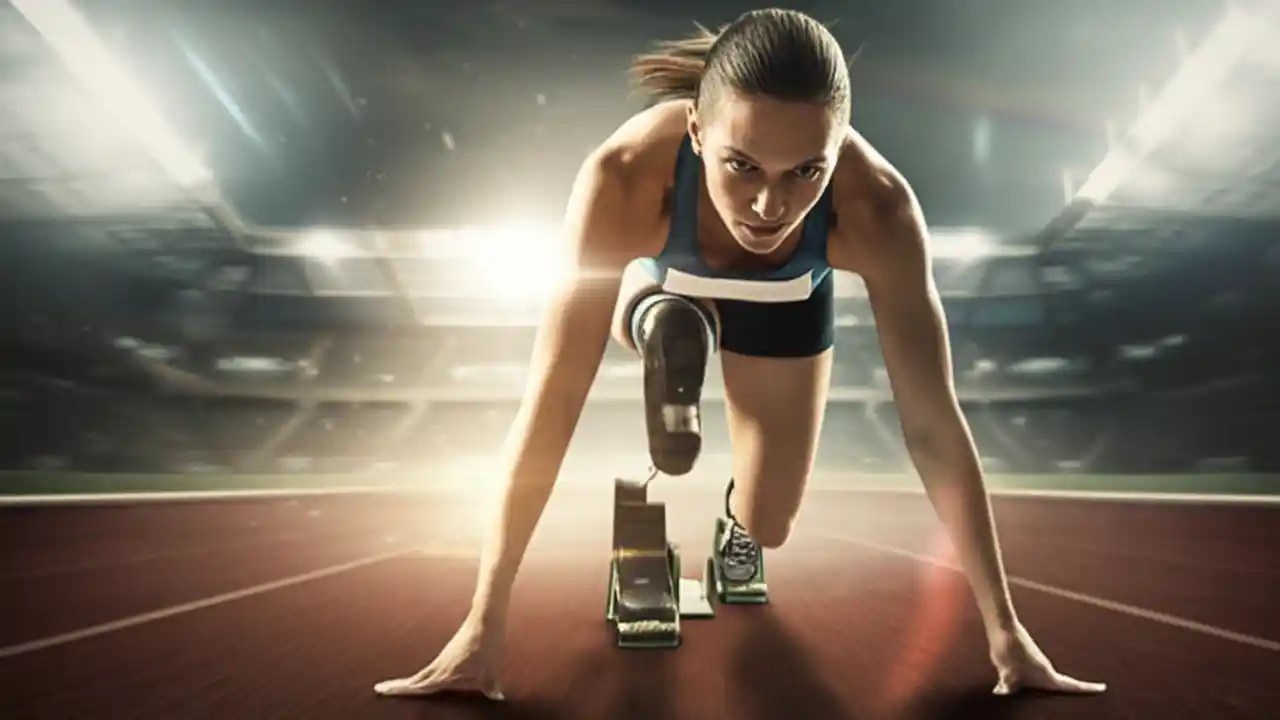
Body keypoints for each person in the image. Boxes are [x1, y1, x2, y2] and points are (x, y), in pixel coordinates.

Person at [375, 7, 1106, 702]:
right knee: (658, 311)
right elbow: (553, 400)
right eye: (742, 165)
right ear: (695, 130)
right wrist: (483, 621)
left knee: (770, 525)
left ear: (841, 147)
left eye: (805, 174)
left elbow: (932, 425)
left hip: (786, 305)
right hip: (673, 277)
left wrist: (1005, 631)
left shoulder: (879, 207)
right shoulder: (625, 176)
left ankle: (734, 517)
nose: (768, 207)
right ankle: (651, 313)